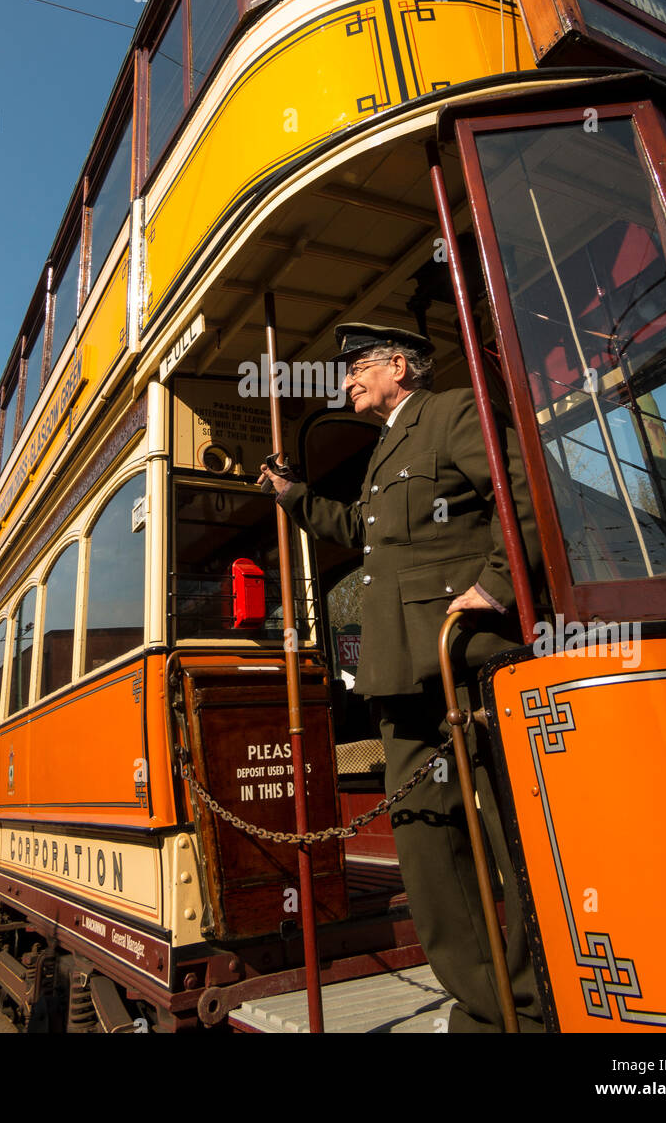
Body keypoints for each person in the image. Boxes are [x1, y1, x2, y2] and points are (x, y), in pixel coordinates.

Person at [258, 323, 544, 1032]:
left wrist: (498, 585)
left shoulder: (449, 412)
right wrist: (293, 495)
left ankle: (539, 1003)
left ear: (397, 366)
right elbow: (361, 528)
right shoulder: (387, 443)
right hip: (398, 672)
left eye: (356, 367)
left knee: (512, 842)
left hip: (464, 664)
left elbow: (522, 499)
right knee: (426, 850)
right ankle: (487, 1006)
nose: (347, 380)